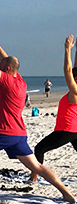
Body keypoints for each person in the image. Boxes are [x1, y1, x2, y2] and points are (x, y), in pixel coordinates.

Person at [0, 29, 75, 202]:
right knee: (37, 166)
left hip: (1, 133)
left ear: (7, 69)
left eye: (1, 67)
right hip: (18, 135)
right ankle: (66, 193)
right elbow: (6, 60)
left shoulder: (7, 81)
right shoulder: (19, 80)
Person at [30, 36, 77, 183]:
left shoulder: (75, 91)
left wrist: (67, 50)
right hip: (75, 130)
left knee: (39, 149)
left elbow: (68, 70)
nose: (73, 77)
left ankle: (33, 178)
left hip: (66, 130)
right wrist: (76, 51)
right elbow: (73, 69)